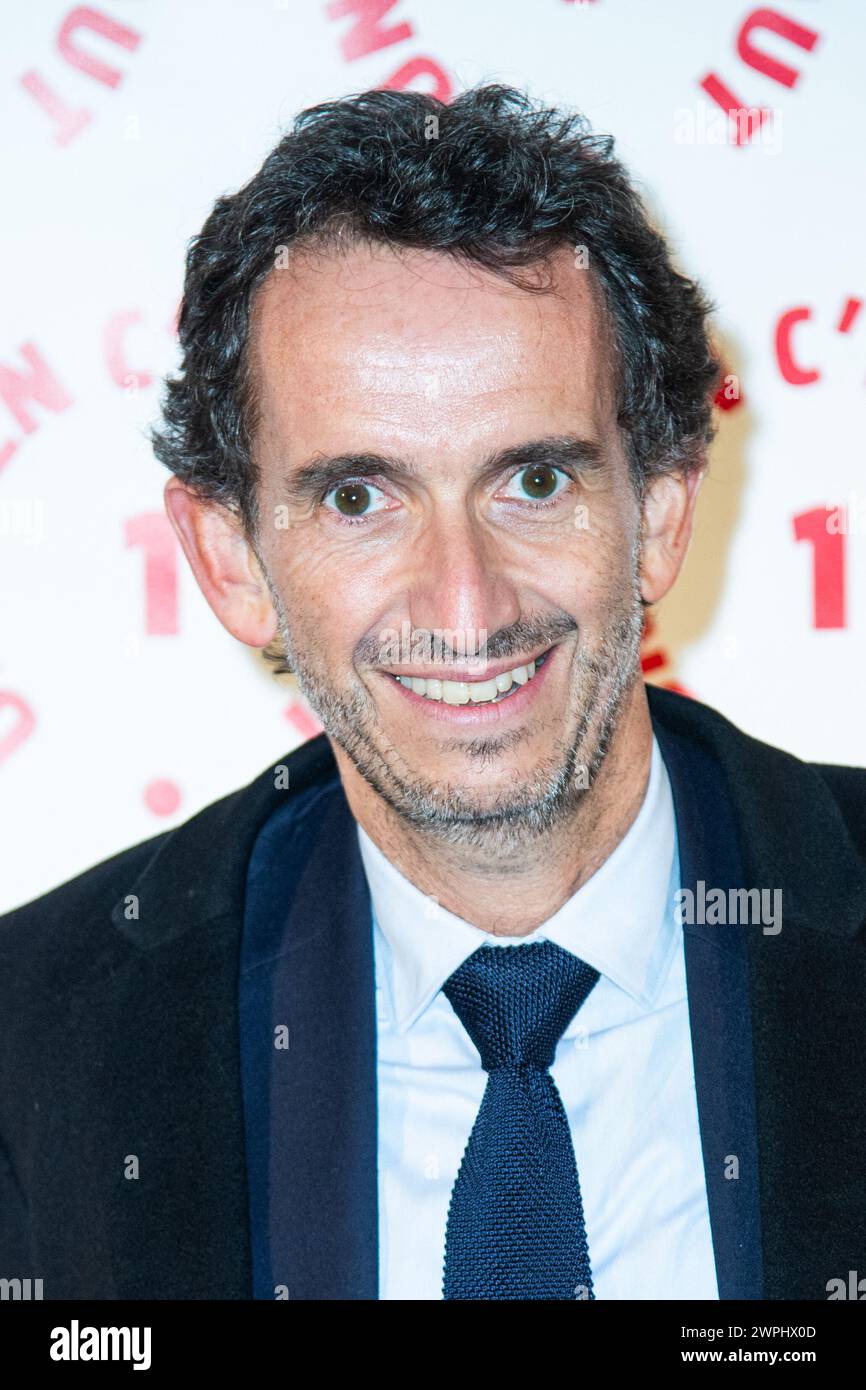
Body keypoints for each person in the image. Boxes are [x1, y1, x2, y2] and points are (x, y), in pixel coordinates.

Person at [1, 84, 865, 1302]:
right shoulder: (39, 1041)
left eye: (534, 480)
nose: (466, 608)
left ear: (659, 512)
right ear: (233, 562)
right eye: (359, 497)